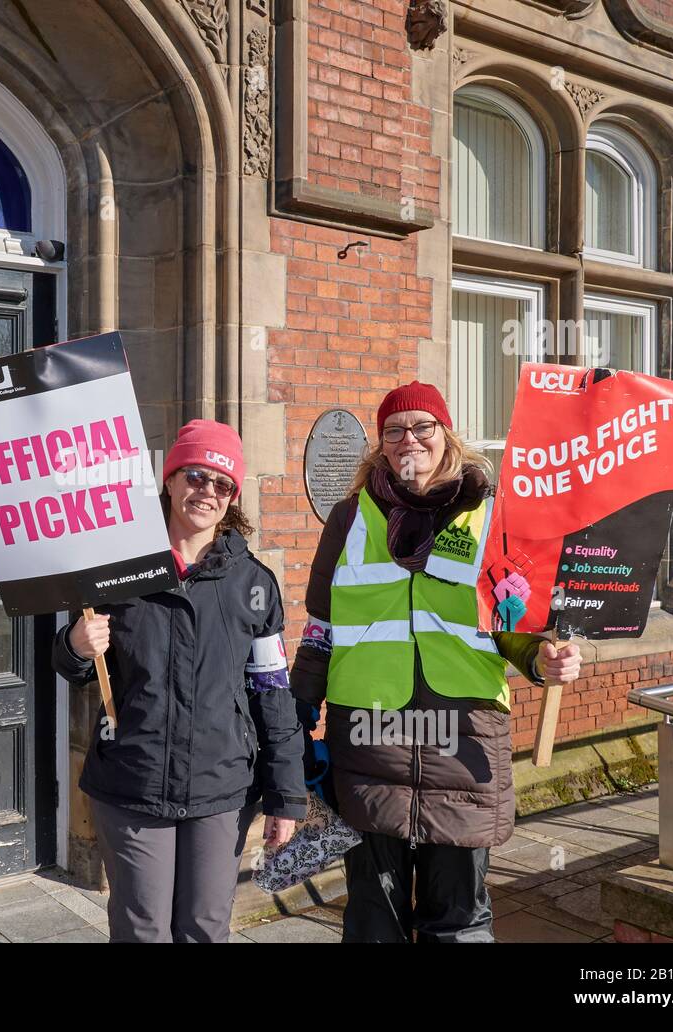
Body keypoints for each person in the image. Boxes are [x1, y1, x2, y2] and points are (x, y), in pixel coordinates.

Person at [290, 382, 582, 942]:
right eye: (394, 430)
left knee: (459, 923)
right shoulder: (350, 518)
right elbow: (322, 627)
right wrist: (297, 712)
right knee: (375, 921)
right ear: (380, 445)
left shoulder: (491, 517)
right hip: (370, 738)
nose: (409, 441)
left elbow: (512, 623)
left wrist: (541, 661)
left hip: (463, 740)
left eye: (423, 427)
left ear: (446, 434)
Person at [53, 419, 307, 942]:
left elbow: (273, 695)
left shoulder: (253, 585)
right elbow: (76, 666)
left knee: (204, 928)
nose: (206, 491)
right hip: (133, 780)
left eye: (221, 483)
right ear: (168, 480)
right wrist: (73, 647)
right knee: (141, 928)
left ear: (232, 496)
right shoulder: (117, 568)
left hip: (221, 786)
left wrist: (287, 797)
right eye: (195, 475)